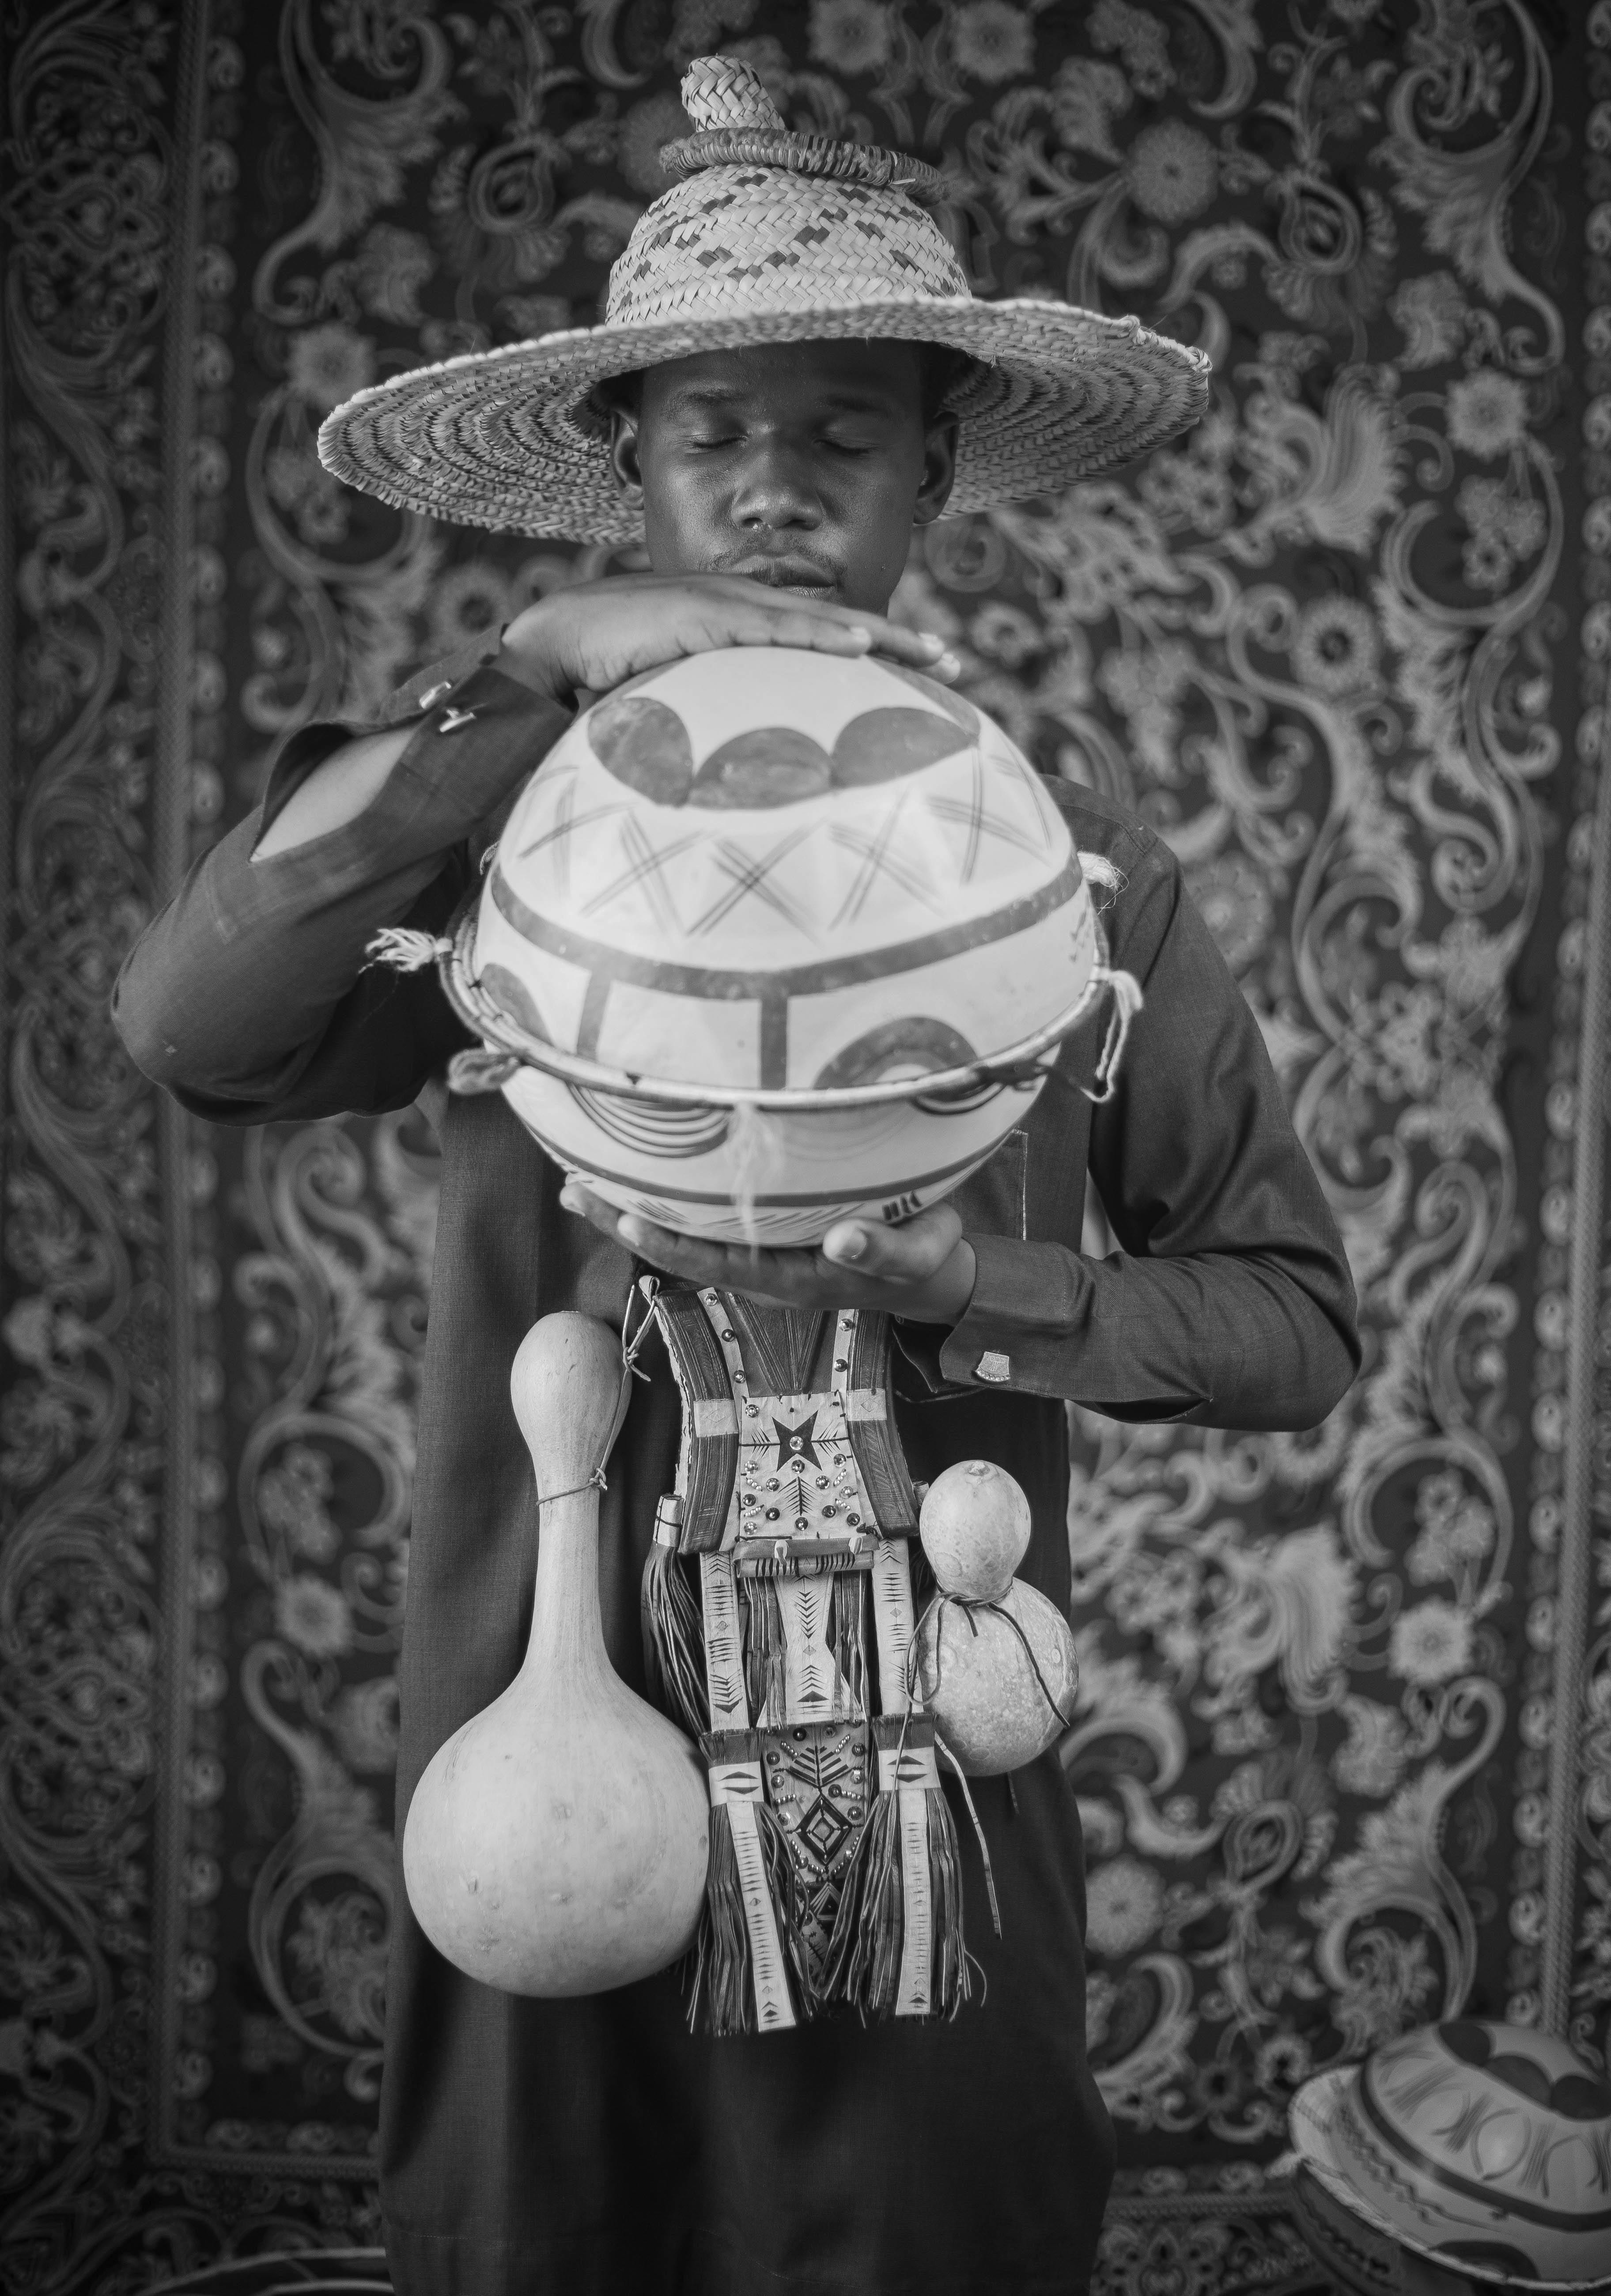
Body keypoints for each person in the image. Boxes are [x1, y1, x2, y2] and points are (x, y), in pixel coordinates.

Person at [114, 54, 1359, 2296]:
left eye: (844, 435)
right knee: (539, 2247)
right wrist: (513, 689)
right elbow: (193, 1031)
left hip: (935, 1814)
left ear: (935, 474)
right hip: (542, 1750)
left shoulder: (1072, 887)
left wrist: (975, 1280)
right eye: (715, 435)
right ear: (627, 470)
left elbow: (1292, 1323)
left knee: (934, 2247)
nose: (778, 492)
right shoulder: (492, 828)